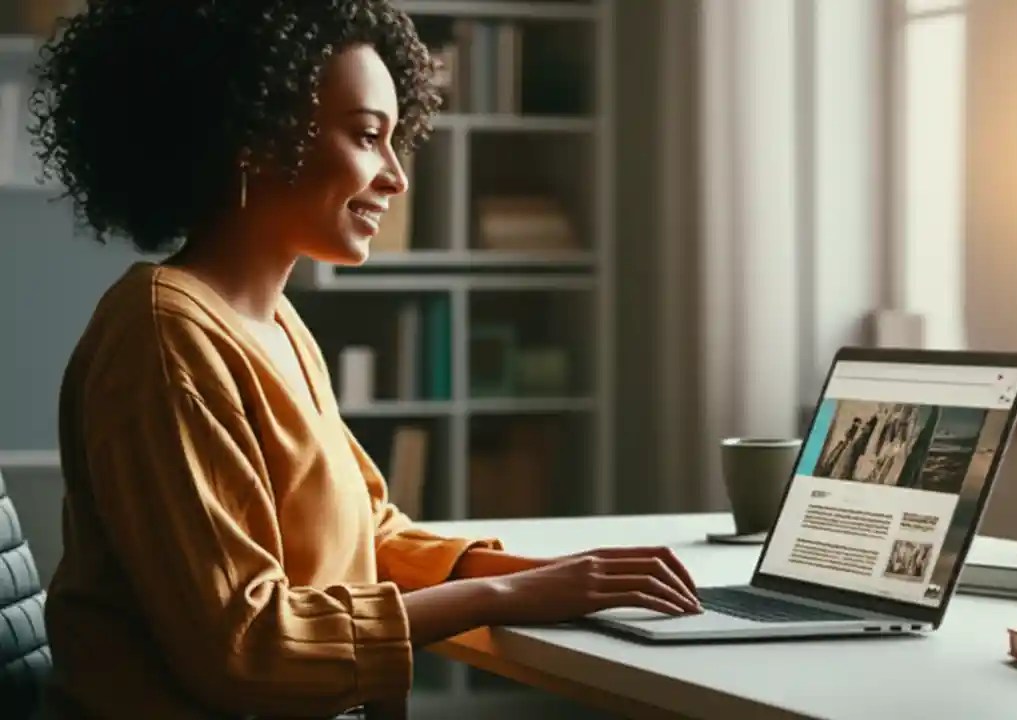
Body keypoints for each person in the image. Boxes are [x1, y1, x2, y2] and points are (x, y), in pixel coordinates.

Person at [32, 3, 700, 718]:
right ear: (254, 137)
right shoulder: (167, 339)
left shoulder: (273, 321)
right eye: (366, 137)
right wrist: (505, 595)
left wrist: (546, 575)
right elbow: (249, 645)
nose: (396, 178)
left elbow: (367, 530)